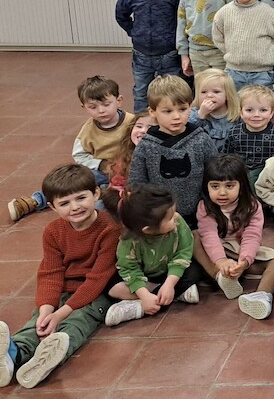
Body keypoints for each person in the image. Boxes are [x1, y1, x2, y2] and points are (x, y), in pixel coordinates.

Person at [0, 165, 120, 389]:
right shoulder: (53, 232)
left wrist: (62, 313)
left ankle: (44, 361)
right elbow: (50, 272)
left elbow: (97, 279)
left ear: (96, 194)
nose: (75, 207)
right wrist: (47, 308)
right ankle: (12, 356)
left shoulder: (109, 229)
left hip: (97, 293)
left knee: (75, 324)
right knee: (37, 324)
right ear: (52, 207)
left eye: (81, 198)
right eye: (64, 203)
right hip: (65, 288)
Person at [193, 155, 274, 320]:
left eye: (229, 186)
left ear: (241, 186)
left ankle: (262, 296)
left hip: (241, 251)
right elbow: (209, 236)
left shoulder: (252, 206)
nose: (222, 192)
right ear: (207, 187)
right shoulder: (205, 207)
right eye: (215, 186)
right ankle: (219, 276)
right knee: (195, 236)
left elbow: (252, 235)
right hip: (216, 254)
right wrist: (221, 262)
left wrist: (244, 261)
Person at [103, 184, 205, 326]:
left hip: (167, 272)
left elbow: (184, 252)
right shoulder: (129, 241)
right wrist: (143, 294)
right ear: (148, 230)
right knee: (111, 287)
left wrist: (169, 284)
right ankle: (148, 301)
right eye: (169, 218)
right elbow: (128, 269)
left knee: (194, 271)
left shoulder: (178, 221)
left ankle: (147, 302)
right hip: (141, 277)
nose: (175, 218)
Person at [129, 75, 218, 226]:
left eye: (182, 109)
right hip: (160, 217)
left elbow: (215, 173)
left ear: (191, 107)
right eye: (168, 111)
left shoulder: (201, 139)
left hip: (200, 215)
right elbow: (137, 182)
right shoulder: (146, 146)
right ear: (153, 112)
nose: (177, 116)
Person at [115, 0, 183, 112]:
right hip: (142, 55)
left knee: (172, 90)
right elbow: (121, 16)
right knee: (141, 91)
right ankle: (141, 127)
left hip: (170, 54)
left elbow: (182, 19)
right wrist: (134, 32)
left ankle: (173, 121)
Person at [69, 76, 136, 191]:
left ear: (119, 101)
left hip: (131, 170)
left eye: (106, 104)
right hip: (103, 173)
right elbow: (79, 155)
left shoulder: (132, 122)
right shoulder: (87, 131)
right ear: (84, 107)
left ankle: (104, 192)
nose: (101, 111)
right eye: (93, 107)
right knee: (73, 180)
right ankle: (38, 199)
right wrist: (101, 165)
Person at [221, 85, 274, 187]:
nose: (256, 115)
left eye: (263, 110)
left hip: (269, 176)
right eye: (249, 110)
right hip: (240, 175)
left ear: (271, 112)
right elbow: (227, 156)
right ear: (241, 112)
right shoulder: (234, 132)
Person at [189, 69, 239, 152]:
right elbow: (187, 131)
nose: (209, 95)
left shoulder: (236, 114)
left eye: (216, 91)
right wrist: (201, 115)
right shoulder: (195, 112)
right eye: (203, 92)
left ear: (227, 94)